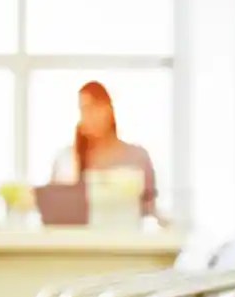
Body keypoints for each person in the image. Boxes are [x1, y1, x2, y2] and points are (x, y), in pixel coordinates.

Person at [50, 81, 160, 226]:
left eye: (95, 107)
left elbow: (150, 210)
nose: (90, 115)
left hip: (126, 236)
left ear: (109, 109)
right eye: (84, 110)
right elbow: (54, 207)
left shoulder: (138, 157)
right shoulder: (67, 159)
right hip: (79, 237)